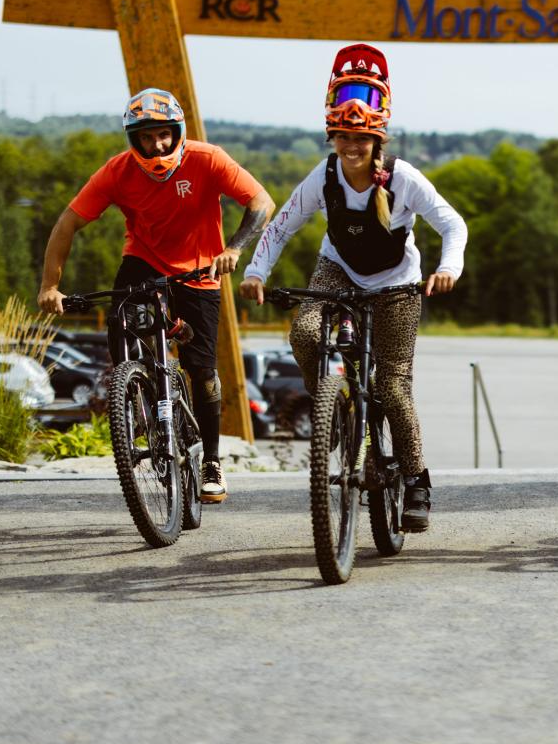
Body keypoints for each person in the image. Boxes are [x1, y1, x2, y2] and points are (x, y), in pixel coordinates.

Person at [239, 43, 465, 533]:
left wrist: (449, 267)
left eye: (361, 138)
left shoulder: (401, 179)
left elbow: (452, 224)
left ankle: (417, 480)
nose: (351, 147)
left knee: (392, 387)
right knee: (304, 333)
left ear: (376, 139)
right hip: (337, 270)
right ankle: (335, 407)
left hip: (397, 283)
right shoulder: (323, 178)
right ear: (332, 137)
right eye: (342, 137)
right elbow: (281, 226)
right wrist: (257, 271)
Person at [38, 87, 275, 501]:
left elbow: (261, 202)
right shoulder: (117, 171)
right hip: (144, 262)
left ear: (177, 131)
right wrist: (49, 286)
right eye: (147, 137)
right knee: (120, 327)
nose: (158, 145)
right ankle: (139, 390)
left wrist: (234, 248)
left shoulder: (207, 158)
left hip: (200, 271)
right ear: (134, 139)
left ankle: (211, 461)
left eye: (164, 134)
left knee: (203, 370)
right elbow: (67, 224)